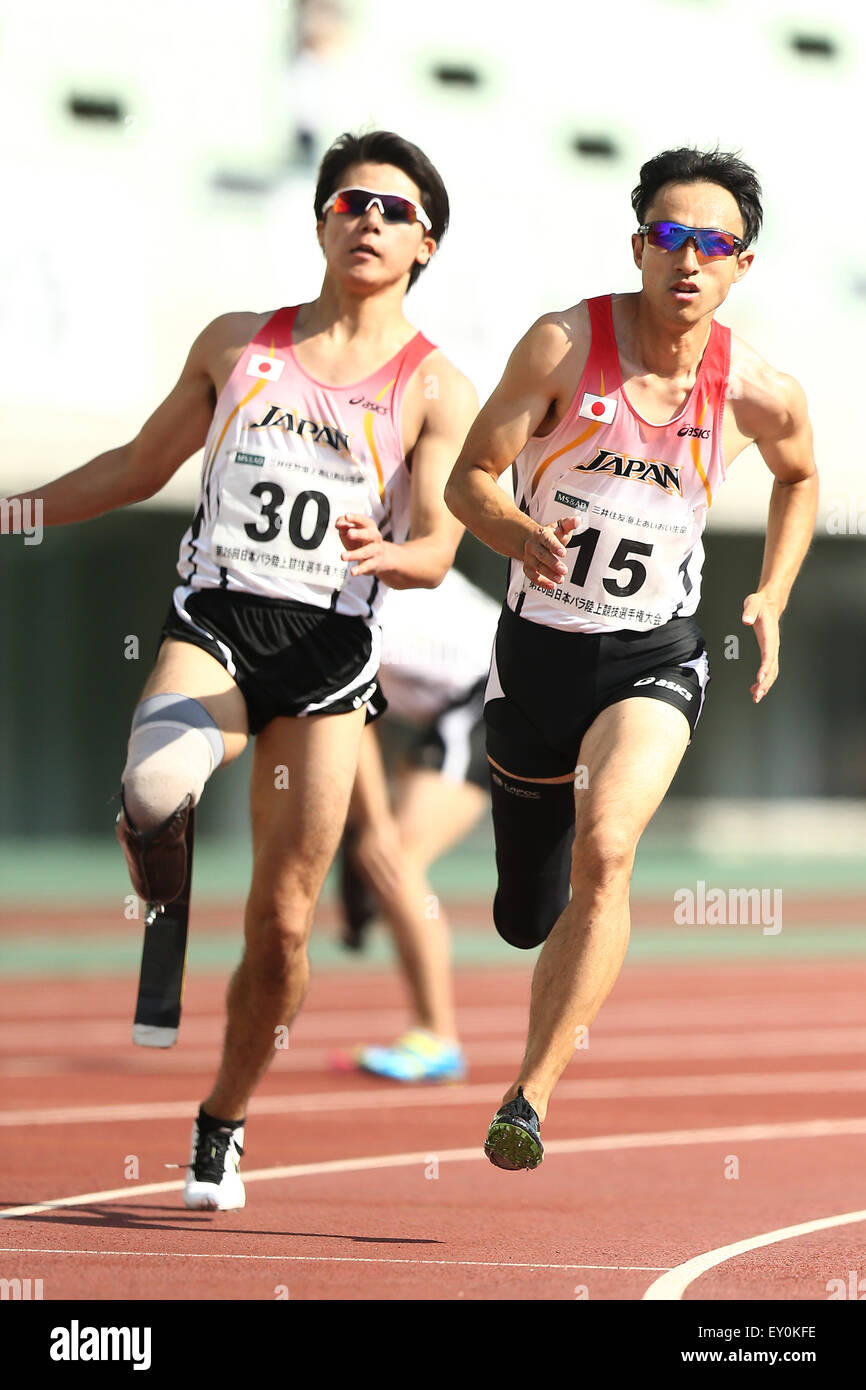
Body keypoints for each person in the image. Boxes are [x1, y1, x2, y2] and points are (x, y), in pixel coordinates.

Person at [5, 129, 477, 1208]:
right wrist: (12, 511)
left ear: (425, 245)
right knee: (152, 785)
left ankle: (224, 1117)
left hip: (328, 663)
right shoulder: (238, 345)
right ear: (319, 221)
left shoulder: (434, 387)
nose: (368, 220)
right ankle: (158, 861)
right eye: (350, 202)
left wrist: (390, 555)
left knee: (282, 929)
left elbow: (439, 549)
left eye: (394, 210)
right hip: (215, 625)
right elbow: (137, 468)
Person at [444, 147, 818, 1171]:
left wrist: (773, 591)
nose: (688, 260)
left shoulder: (757, 388)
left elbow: (798, 476)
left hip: (654, 656)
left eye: (713, 244)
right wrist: (517, 532)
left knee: (608, 848)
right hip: (536, 656)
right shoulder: (563, 346)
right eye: (670, 237)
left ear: (740, 265)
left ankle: (529, 1095)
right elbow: (468, 478)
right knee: (525, 914)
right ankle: (534, 906)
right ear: (638, 246)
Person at [333, 564, 500, 1082]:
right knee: (385, 856)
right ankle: (432, 1033)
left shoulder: (338, 596)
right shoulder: (350, 581)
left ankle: (438, 1036)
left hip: (488, 695)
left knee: (394, 859)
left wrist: (372, 826)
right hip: (469, 701)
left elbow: (351, 716)